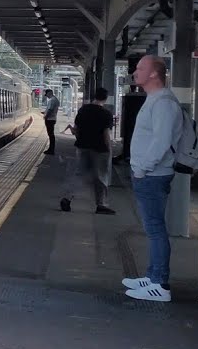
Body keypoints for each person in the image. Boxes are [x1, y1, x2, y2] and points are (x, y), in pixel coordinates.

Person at [123, 56, 184, 302]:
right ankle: (152, 277)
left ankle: (160, 284)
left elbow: (161, 141)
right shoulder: (155, 99)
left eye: (140, 68)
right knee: (152, 229)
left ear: (154, 74)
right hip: (149, 174)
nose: (134, 71)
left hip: (152, 175)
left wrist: (142, 169)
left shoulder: (164, 103)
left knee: (156, 230)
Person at [59, 87, 115, 215]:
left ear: (94, 96)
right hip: (100, 149)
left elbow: (76, 129)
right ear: (105, 99)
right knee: (101, 177)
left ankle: (67, 198)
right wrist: (109, 150)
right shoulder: (106, 114)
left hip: (82, 147)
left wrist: (80, 140)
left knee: (78, 174)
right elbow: (106, 134)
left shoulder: (83, 110)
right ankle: (101, 204)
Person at [42, 89, 60, 154]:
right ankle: (51, 149)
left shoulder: (52, 100)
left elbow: (50, 110)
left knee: (51, 135)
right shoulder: (55, 99)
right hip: (52, 119)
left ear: (50, 93)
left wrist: (46, 117)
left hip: (50, 119)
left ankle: (51, 150)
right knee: (51, 135)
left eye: (47, 94)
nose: (47, 96)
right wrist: (45, 112)